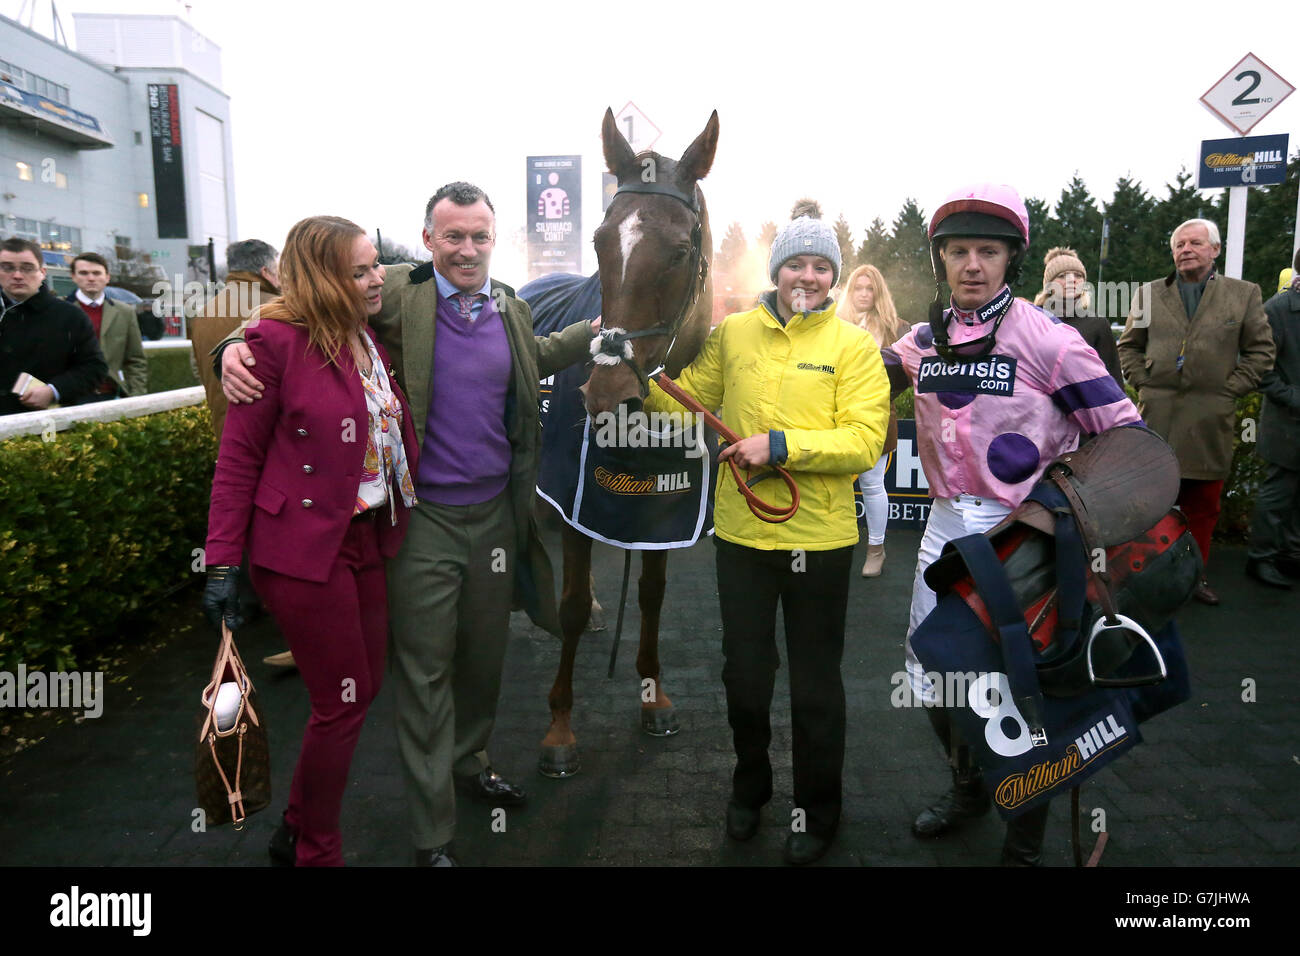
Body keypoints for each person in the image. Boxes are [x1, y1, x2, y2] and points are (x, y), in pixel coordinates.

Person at [219, 182, 595, 867]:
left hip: (496, 523)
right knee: (424, 674)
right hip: (422, 521)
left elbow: (534, 359)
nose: (467, 249)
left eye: (480, 235)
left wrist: (591, 339)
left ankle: (469, 760)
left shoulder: (507, 303)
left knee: (484, 661)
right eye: (452, 236)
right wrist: (235, 346)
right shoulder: (394, 289)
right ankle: (432, 834)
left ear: (494, 238)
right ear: (428, 241)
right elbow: (302, 309)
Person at [880, 183, 1141, 865]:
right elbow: (850, 388)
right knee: (934, 675)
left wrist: (1063, 506)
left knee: (1022, 689)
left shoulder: (1050, 341)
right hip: (944, 530)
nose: (972, 264)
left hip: (1025, 534)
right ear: (940, 258)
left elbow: (1127, 438)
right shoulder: (920, 340)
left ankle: (1024, 841)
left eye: (987, 251)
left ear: (1008, 259)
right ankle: (968, 790)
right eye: (958, 250)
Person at [645, 214, 890, 864]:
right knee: (745, 679)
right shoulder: (733, 334)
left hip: (823, 543)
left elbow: (865, 440)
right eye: (796, 264)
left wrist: (779, 446)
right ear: (776, 270)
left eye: (820, 267)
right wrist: (637, 374)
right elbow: (686, 399)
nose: (807, 276)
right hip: (743, 542)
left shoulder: (854, 347)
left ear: (832, 278)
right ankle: (749, 787)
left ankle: (819, 810)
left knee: (815, 690)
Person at [203, 215, 418, 866]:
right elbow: (237, 459)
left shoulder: (367, 336)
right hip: (300, 550)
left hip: (365, 540)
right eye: (361, 270)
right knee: (340, 702)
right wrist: (220, 564)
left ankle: (296, 822)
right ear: (326, 280)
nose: (379, 276)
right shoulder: (270, 344)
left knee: (363, 688)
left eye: (376, 264)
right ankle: (314, 849)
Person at [1117, 218, 1275, 606]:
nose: (1185, 249)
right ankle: (1143, 580)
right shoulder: (1150, 294)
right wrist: (1146, 384)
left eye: (1195, 243)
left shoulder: (1244, 295)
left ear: (1215, 250)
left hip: (1210, 422)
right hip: (1158, 418)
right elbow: (1128, 346)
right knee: (1149, 506)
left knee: (1202, 507)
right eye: (1179, 244)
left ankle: (1193, 579)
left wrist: (1230, 389)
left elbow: (1262, 352)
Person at [838, 262, 909, 576]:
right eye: (858, 287)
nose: (864, 294)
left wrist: (884, 396)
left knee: (871, 483)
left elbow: (907, 375)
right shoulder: (834, 325)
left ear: (879, 293)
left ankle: (876, 549)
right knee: (835, 481)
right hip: (836, 416)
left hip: (879, 415)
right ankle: (835, 542)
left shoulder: (897, 327)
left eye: (870, 288)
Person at [1, 237, 107, 416]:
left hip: (45, 426)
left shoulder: (70, 317)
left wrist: (54, 390)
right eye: (8, 267)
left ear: (42, 272)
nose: (17, 275)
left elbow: (94, 368)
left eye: (27, 268)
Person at [1246, 249, 1300, 588]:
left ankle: (1290, 555)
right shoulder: (1277, 311)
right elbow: (1259, 367)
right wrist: (1294, 397)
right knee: (1278, 494)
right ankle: (1260, 558)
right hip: (1288, 424)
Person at [191, 239, 280, 439]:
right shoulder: (281, 309)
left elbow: (198, 369)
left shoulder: (203, 313)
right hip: (276, 441)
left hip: (225, 435)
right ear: (266, 272)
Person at [1032, 246, 1123, 389]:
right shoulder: (1033, 320)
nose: (1071, 280)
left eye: (1078, 275)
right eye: (1062, 276)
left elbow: (1113, 378)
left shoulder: (1097, 324)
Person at [66, 252, 148, 400]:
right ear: (73, 277)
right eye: (84, 273)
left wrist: (137, 396)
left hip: (111, 394)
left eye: (96, 273)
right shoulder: (60, 310)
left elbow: (135, 359)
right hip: (71, 397)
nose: (91, 278)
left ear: (107, 277)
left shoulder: (125, 312)